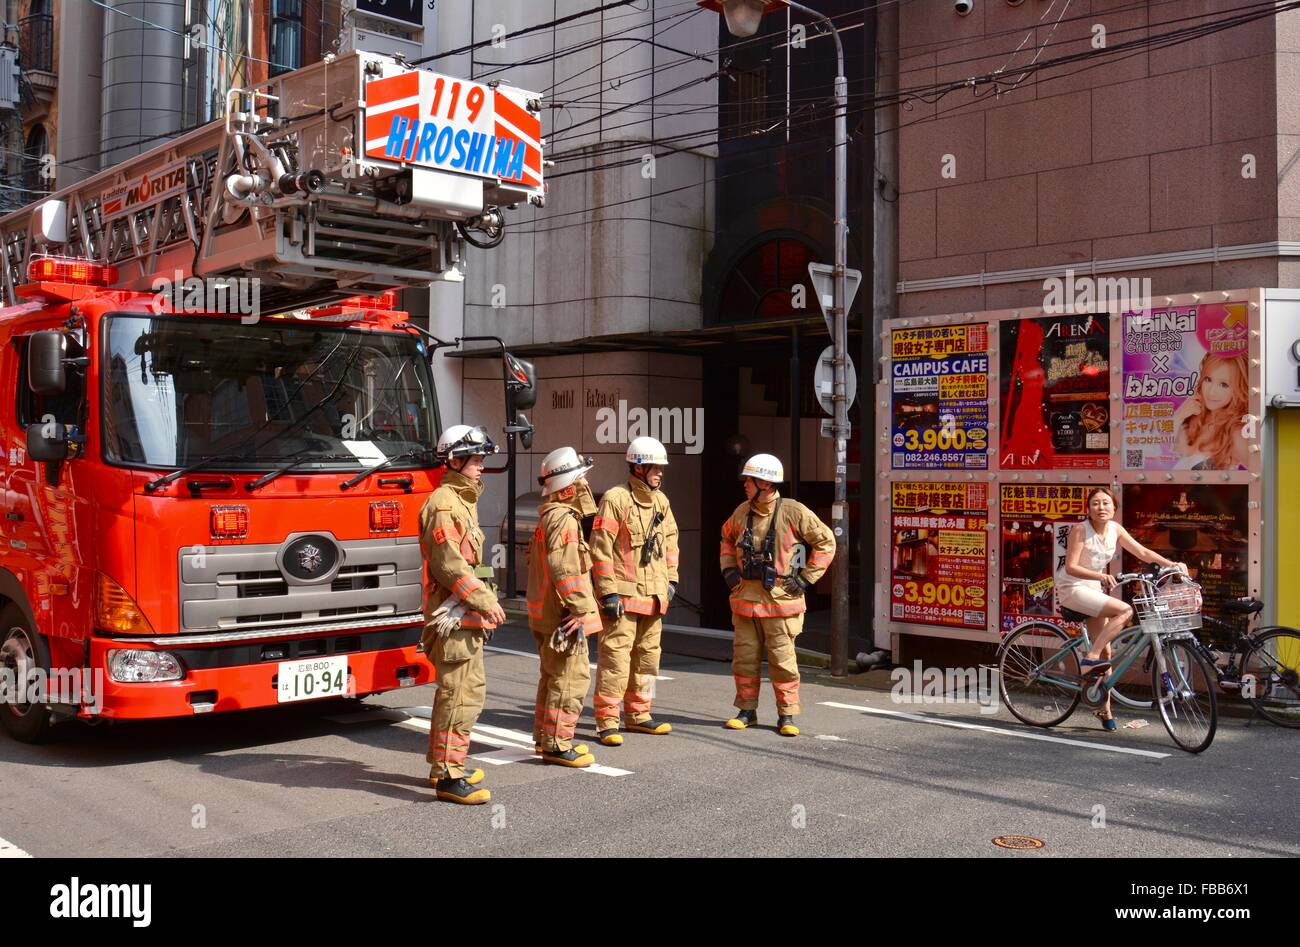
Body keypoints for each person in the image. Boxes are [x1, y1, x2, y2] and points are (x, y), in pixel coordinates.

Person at [419, 424, 507, 804]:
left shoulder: (461, 500)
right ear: (454, 460)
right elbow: (450, 565)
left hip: (463, 615)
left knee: (461, 693)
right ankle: (451, 778)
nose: (481, 466)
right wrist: (486, 601)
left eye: (483, 459)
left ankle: (445, 766)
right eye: (475, 460)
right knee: (460, 695)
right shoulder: (443, 504)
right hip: (453, 616)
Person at [719, 454, 835, 737]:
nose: (745, 484)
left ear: (767, 484)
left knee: (783, 662)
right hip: (746, 600)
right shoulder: (741, 512)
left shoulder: (793, 511)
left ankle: (787, 714)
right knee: (744, 660)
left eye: (751, 480)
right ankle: (747, 711)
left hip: (781, 602)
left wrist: (806, 578)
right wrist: (729, 571)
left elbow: (826, 542)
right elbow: (726, 538)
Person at [1057, 486, 1185, 731]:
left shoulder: (1116, 529)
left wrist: (1173, 565)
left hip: (1093, 588)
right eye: (1095, 503)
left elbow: (1143, 552)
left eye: (1106, 503)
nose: (1101, 507)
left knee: (1108, 654)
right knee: (1125, 610)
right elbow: (1071, 567)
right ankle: (1089, 658)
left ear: (1114, 508)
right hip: (1073, 588)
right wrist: (1101, 576)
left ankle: (1103, 710)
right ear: (1088, 509)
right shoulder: (1079, 530)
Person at [589, 437, 680, 746]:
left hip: (654, 598)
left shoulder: (662, 502)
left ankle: (640, 715)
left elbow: (670, 544)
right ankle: (607, 720)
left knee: (647, 660)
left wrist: (671, 582)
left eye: (661, 468)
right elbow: (600, 550)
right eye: (656, 468)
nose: (661, 473)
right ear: (639, 468)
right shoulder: (616, 499)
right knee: (615, 660)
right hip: (623, 599)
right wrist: (608, 592)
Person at [525, 447, 603, 768]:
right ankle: (558, 745)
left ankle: (547, 738)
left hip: (546, 613)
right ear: (569, 486)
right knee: (570, 678)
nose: (586, 484)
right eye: (582, 478)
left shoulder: (548, 518)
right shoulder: (566, 522)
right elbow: (566, 570)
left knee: (552, 676)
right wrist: (581, 609)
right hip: (563, 616)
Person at [1172, 352, 1249, 470]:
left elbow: (1259, 473)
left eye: (1224, 385)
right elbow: (1159, 454)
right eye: (1208, 379)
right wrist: (1179, 416)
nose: (1211, 392)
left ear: (1239, 388)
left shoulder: (1236, 431)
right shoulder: (1193, 418)